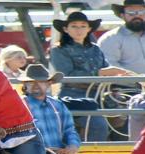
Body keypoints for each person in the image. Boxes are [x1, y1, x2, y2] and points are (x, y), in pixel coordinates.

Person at [50, 10, 123, 143]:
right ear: (66, 29)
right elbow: (67, 74)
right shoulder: (58, 50)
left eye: (83, 26)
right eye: (74, 26)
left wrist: (113, 83)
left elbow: (105, 69)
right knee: (97, 124)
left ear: (89, 29)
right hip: (73, 95)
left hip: (99, 94)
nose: (79, 30)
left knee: (123, 116)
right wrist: (100, 74)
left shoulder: (95, 49)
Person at [19, 64, 78, 154]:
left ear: (49, 83)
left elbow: (69, 130)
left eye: (41, 81)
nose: (35, 85)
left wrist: (73, 144)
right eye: (30, 82)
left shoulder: (58, 105)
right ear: (25, 85)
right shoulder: (19, 105)